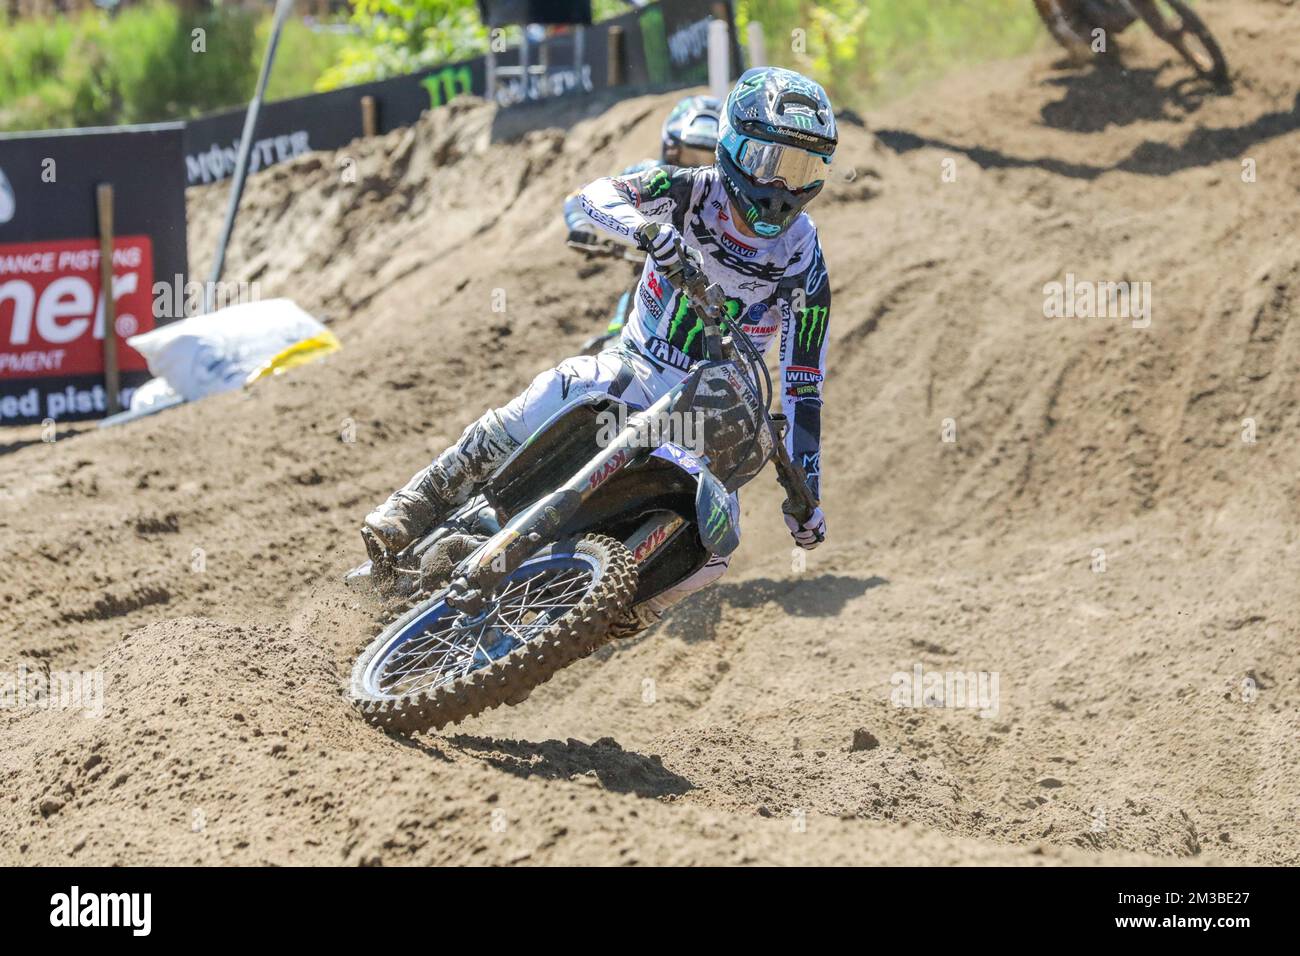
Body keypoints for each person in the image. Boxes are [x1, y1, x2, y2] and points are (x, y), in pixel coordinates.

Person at [365, 66, 834, 623]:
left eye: (802, 169)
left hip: (716, 410)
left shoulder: (805, 261)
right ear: (733, 146)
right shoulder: (689, 192)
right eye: (770, 164)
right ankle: (421, 500)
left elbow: (803, 384)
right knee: (565, 384)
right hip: (641, 365)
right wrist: (651, 232)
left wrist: (808, 489)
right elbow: (595, 194)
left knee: (718, 547)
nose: (781, 188)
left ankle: (617, 619)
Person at [563, 94, 721, 351]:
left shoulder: (729, 203)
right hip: (654, 279)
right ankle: (619, 339)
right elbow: (582, 195)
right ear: (670, 148)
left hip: (714, 292)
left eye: (706, 160)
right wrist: (581, 225)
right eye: (690, 156)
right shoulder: (648, 177)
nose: (695, 169)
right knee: (613, 343)